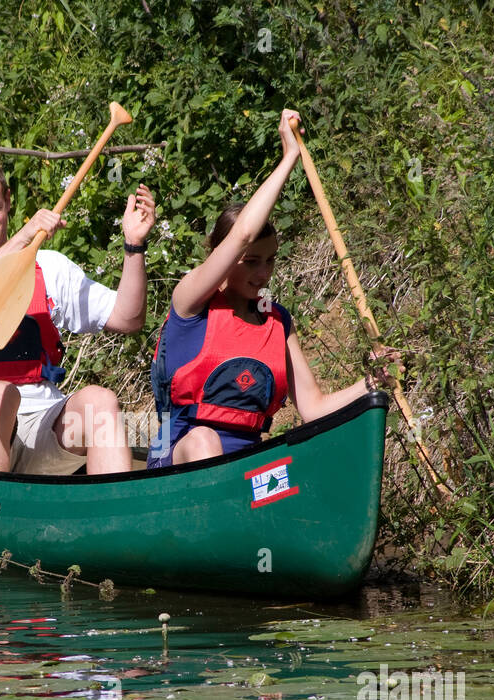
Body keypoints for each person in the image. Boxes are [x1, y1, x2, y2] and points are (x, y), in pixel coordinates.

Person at [148, 108, 394, 468]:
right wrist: (289, 157)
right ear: (222, 256)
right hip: (179, 457)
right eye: (251, 261)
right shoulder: (191, 302)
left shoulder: (277, 321)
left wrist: (371, 382)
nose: (263, 273)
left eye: (271, 260)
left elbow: (314, 410)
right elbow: (244, 232)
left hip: (246, 469)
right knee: (204, 440)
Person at [0, 156, 156, 475]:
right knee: (0, 394)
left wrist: (134, 246)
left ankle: (113, 517)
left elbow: (128, 319)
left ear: (8, 201)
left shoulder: (50, 267)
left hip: (39, 423)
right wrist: (20, 239)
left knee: (100, 402)